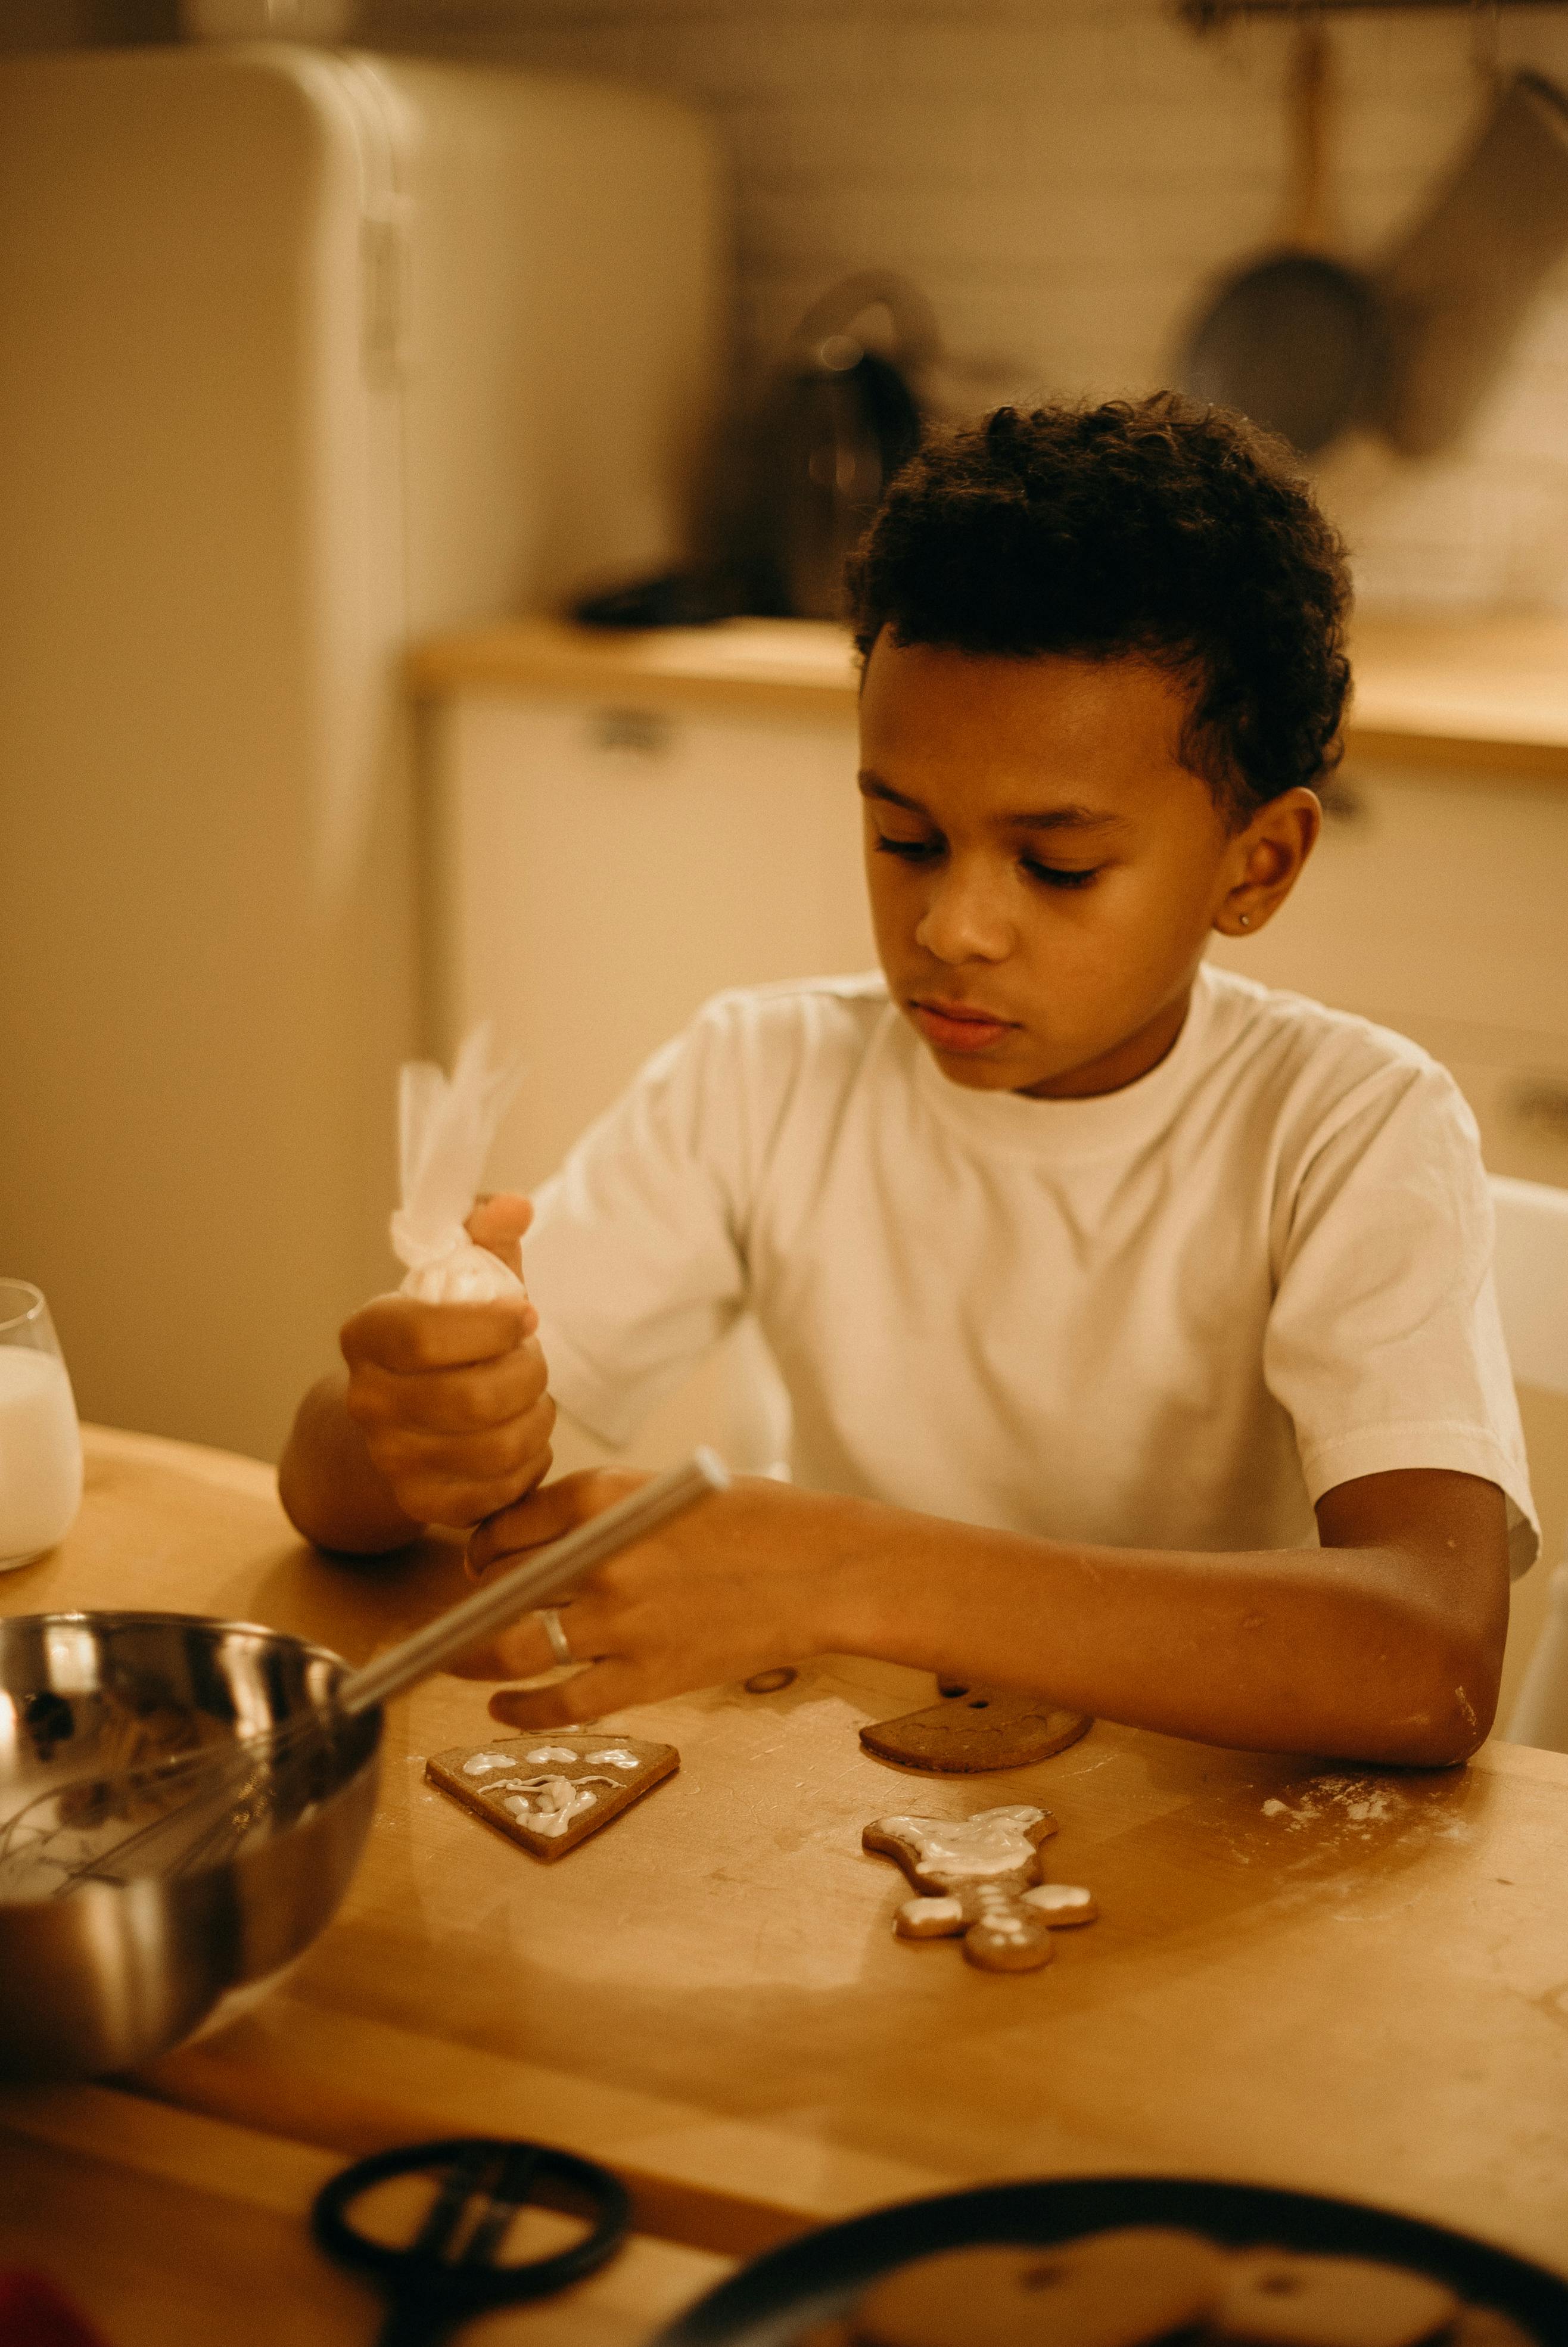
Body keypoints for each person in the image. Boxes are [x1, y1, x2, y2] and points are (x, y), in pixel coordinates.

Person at [279, 396, 1536, 1767]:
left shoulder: (1347, 1127)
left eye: (1054, 865)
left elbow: (1428, 1653)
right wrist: (398, 1421)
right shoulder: (760, 1076)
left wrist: (848, 1572)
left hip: (1218, 1852)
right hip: (862, 1820)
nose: (951, 927)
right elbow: (336, 1497)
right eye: (903, 836)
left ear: (1255, 866)